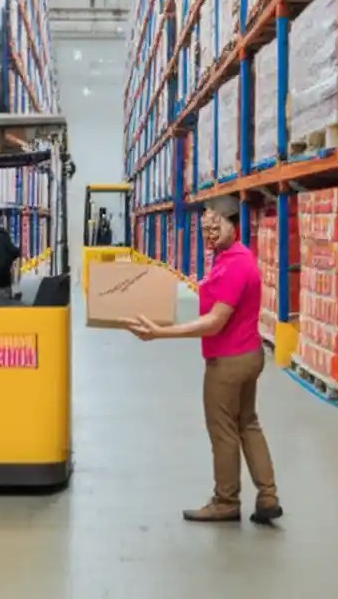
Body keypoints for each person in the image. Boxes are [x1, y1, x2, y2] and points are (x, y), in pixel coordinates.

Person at [127, 195, 282, 524]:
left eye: (216, 223)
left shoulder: (235, 265)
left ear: (233, 224)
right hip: (247, 354)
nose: (209, 231)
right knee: (247, 423)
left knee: (223, 430)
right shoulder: (232, 257)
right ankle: (268, 496)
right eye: (206, 225)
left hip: (229, 361)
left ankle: (226, 501)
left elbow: (215, 322)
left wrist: (161, 333)